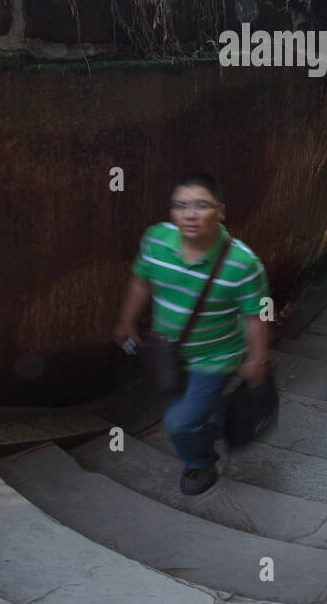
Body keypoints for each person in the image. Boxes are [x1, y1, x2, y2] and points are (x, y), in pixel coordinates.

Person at [112, 173, 271, 495]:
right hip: (169, 353)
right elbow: (140, 282)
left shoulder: (242, 263)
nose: (190, 214)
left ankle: (200, 463)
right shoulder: (156, 241)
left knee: (179, 422)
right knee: (189, 409)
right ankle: (218, 416)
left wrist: (257, 358)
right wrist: (127, 321)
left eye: (201, 205)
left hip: (216, 357)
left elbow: (255, 315)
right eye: (181, 206)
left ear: (221, 212)